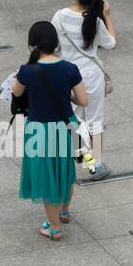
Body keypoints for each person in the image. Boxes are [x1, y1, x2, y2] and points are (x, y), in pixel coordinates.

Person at [12, 21, 88, 240]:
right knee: (65, 171)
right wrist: (68, 96)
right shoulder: (70, 69)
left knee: (46, 176)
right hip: (67, 125)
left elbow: (16, 93)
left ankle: (53, 228)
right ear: (56, 43)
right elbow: (83, 100)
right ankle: (64, 211)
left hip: (39, 129)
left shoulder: (26, 71)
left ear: (32, 44)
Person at [51, 0, 116, 182]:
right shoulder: (95, 21)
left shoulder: (59, 17)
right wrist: (107, 17)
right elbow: (110, 43)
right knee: (95, 120)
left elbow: (54, 47)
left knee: (72, 118)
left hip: (67, 75)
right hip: (92, 76)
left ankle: (69, 157)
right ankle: (95, 164)